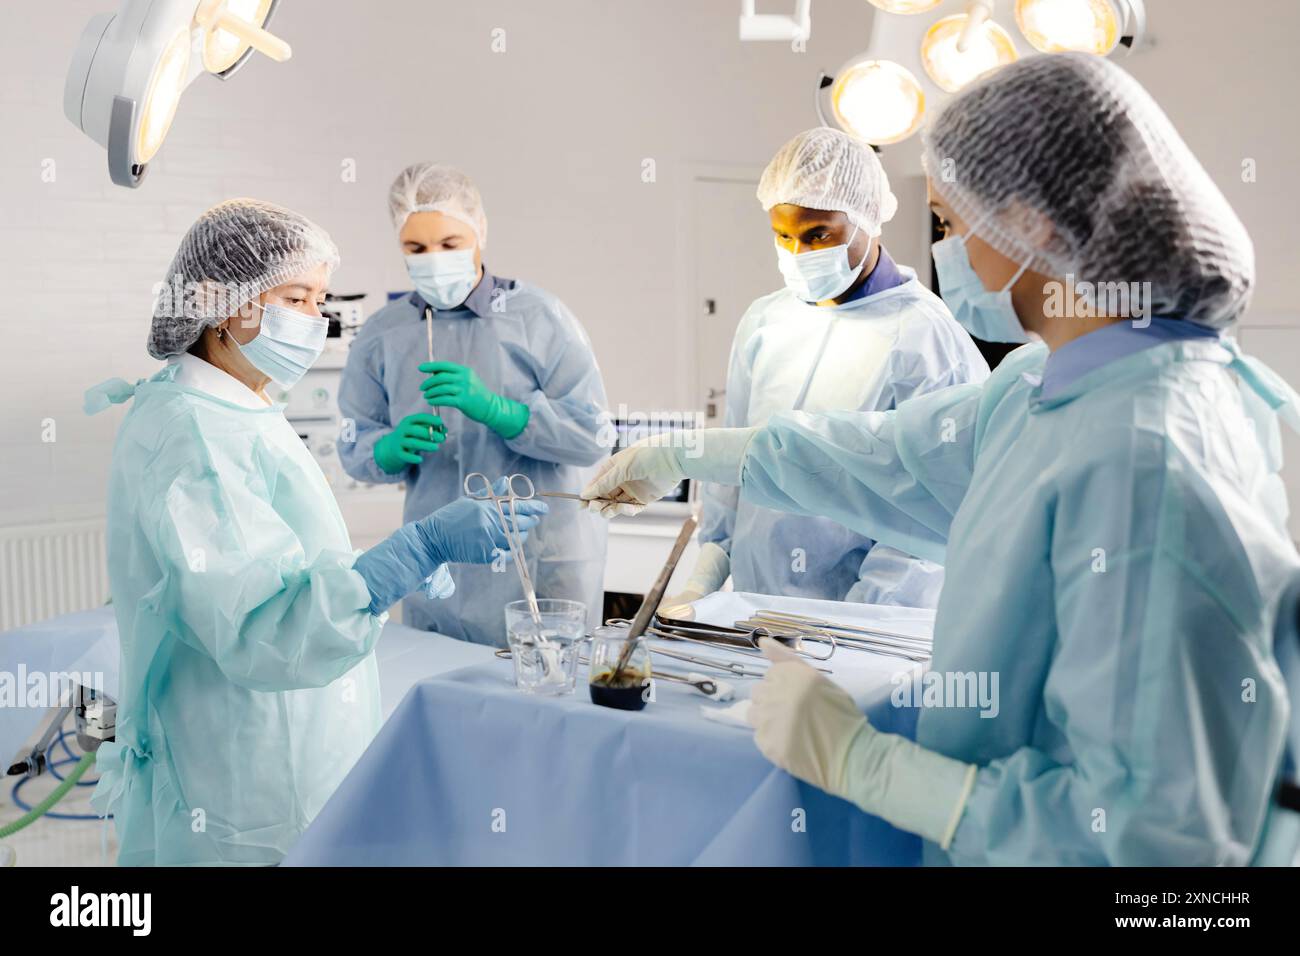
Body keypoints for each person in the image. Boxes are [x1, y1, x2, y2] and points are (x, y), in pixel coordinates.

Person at [582, 54, 1300, 865]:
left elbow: (1158, 846)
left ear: (1030, 225)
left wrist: (870, 764)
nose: (947, 251)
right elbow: (881, 457)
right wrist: (685, 452)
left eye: (951, 224)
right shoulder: (1044, 386)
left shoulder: (1148, 457)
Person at [84, 199, 546, 866]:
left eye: (320, 299)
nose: (316, 320)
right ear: (222, 303)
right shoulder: (193, 432)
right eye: (297, 298)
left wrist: (385, 569)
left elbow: (278, 563)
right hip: (241, 780)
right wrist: (416, 549)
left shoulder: (240, 406)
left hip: (285, 746)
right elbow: (264, 627)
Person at [668, 128, 987, 611]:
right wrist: (710, 568)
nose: (799, 254)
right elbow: (735, 458)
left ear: (868, 221)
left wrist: (854, 618)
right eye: (783, 236)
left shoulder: (925, 338)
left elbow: (932, 514)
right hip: (754, 610)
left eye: (819, 235)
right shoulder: (766, 320)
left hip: (859, 626)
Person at [338, 163, 609, 645]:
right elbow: (354, 441)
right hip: (438, 569)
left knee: (544, 698)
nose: (434, 259)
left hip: (539, 559)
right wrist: (388, 449)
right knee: (440, 695)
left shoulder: (539, 317)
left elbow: (593, 436)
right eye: (416, 248)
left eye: (449, 244)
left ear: (479, 232)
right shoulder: (383, 335)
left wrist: (502, 412)